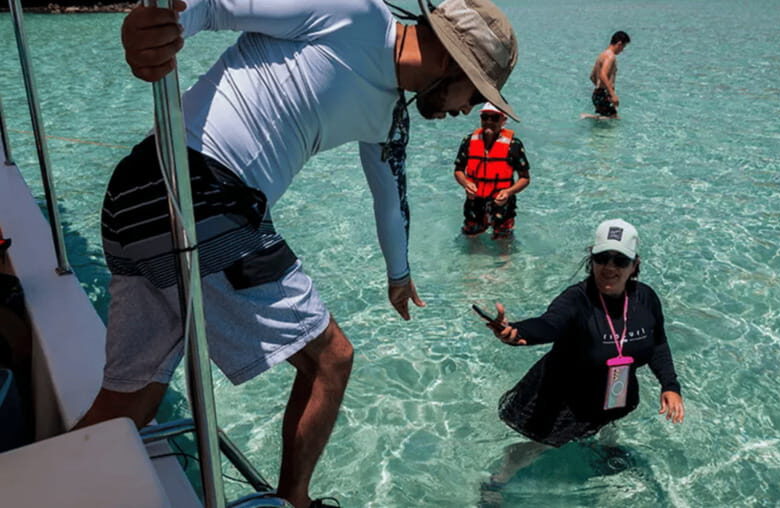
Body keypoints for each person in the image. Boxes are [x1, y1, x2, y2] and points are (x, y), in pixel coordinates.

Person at [75, 1, 519, 507]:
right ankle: (294, 501)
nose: (468, 109)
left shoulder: (392, 118)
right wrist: (159, 31)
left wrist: (399, 276)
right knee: (331, 360)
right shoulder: (357, 13)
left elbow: (390, 199)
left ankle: (40, 483)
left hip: (137, 195)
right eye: (475, 93)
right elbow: (215, 6)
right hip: (201, 195)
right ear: (450, 60)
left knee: (130, 400)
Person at [482, 218, 684, 485]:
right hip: (567, 395)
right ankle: (499, 477)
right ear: (592, 259)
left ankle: (607, 449)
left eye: (620, 260)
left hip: (616, 390)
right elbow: (548, 324)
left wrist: (670, 385)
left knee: (610, 422)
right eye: (602, 258)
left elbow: (657, 342)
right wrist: (517, 332)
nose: (609, 267)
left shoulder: (645, 298)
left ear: (634, 265)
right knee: (543, 445)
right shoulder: (576, 299)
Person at [454, 102, 530, 238]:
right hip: (474, 201)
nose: (489, 122)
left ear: (503, 120)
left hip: (503, 202)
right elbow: (458, 170)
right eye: (485, 117)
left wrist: (508, 192)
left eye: (494, 118)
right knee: (471, 238)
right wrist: (466, 184)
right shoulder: (468, 141)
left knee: (503, 240)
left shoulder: (514, 145)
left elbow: (525, 178)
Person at [589, 31, 630, 118]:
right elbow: (602, 74)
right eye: (623, 47)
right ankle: (587, 117)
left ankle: (591, 117)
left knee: (609, 119)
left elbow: (592, 76)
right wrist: (612, 94)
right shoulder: (610, 56)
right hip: (604, 95)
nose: (622, 50)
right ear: (619, 44)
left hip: (597, 94)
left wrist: (599, 89)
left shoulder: (602, 55)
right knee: (613, 119)